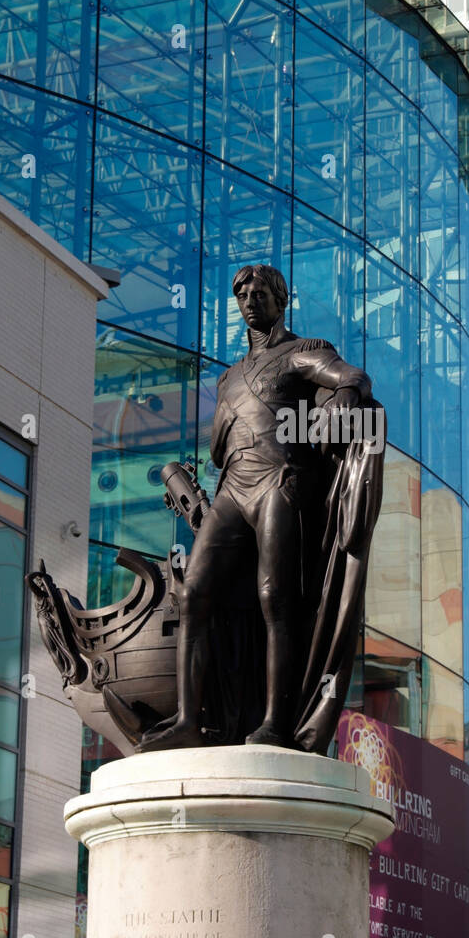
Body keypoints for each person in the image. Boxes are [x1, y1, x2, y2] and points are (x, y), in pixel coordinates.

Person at [141, 263, 372, 750]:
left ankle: (275, 722)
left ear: (280, 299)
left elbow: (351, 376)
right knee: (194, 591)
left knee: (275, 598)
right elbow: (219, 451)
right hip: (233, 485)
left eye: (260, 291)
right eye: (242, 292)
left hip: (280, 480)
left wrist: (346, 395)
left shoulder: (302, 353)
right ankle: (187, 720)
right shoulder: (228, 379)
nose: (249, 299)